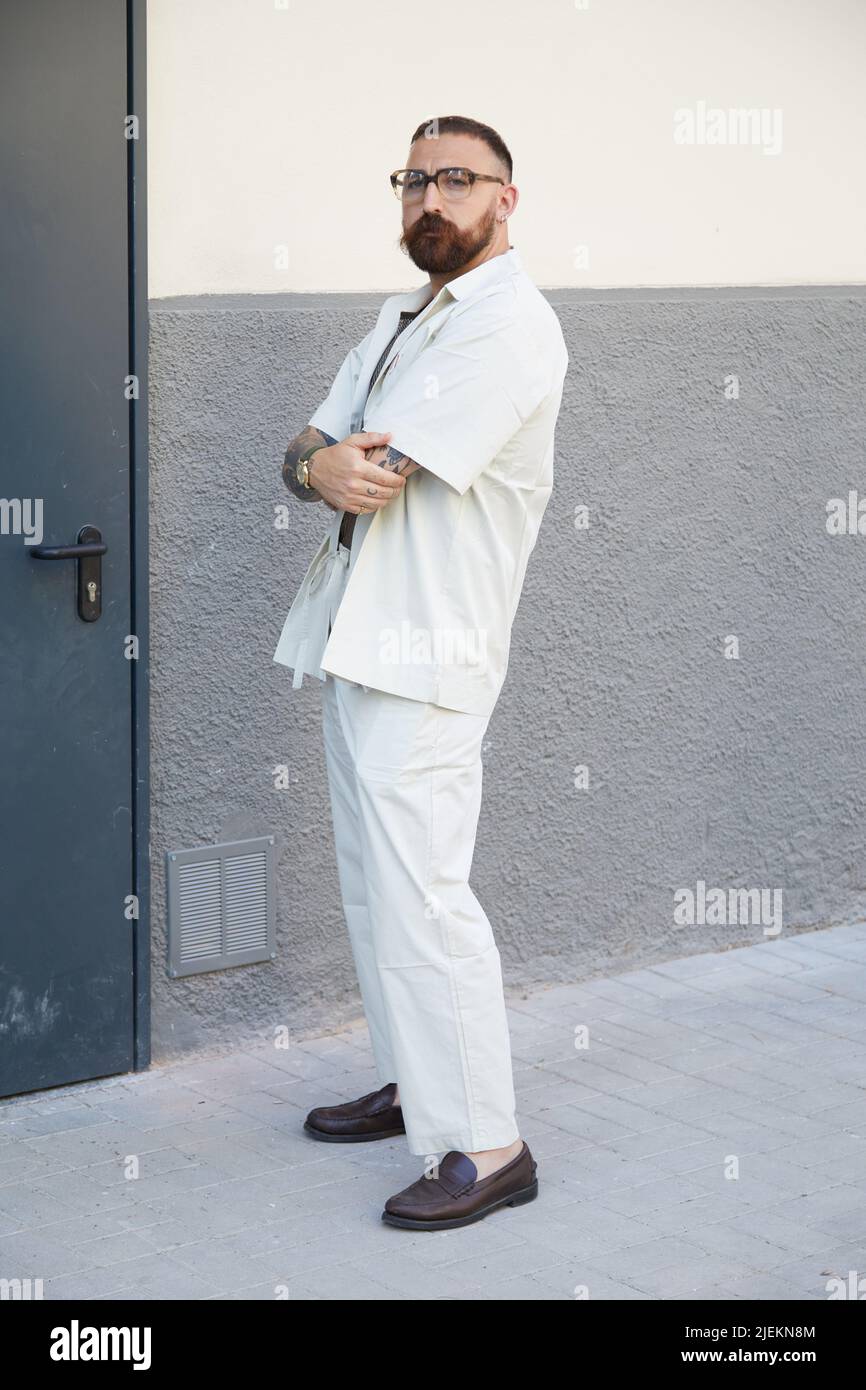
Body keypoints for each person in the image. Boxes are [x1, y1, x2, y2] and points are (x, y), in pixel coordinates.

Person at [274, 114, 568, 1231]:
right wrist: (317, 459)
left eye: (456, 179)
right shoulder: (402, 316)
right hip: (354, 634)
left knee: (428, 898)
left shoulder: (511, 328)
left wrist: (327, 458)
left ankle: (485, 1142)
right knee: (371, 883)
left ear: (504, 198)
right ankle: (417, 1085)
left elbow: (373, 464)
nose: (428, 198)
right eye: (412, 179)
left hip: (429, 647)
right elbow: (308, 449)